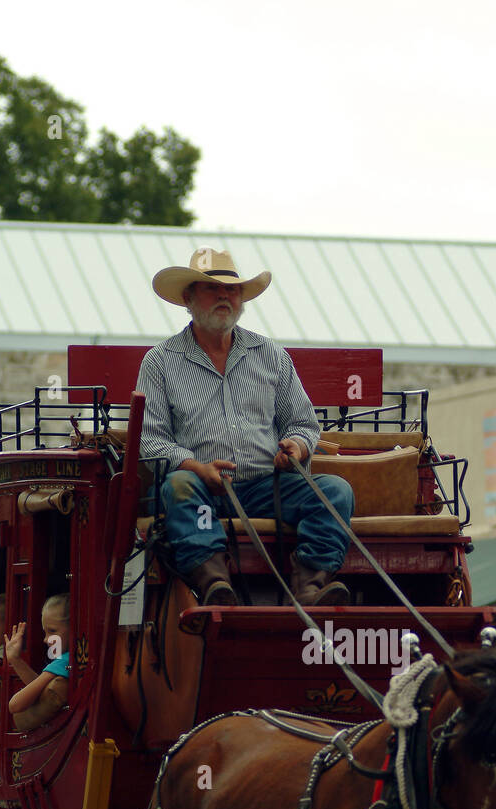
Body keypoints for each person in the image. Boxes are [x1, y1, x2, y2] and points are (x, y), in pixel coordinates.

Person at [136, 247, 354, 607]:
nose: (224, 295)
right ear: (188, 298)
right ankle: (213, 583)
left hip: (266, 486)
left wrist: (296, 447)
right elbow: (152, 440)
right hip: (200, 490)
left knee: (336, 492)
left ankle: (311, 584)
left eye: (232, 289)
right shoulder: (160, 361)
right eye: (212, 288)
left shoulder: (270, 354)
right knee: (178, 484)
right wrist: (198, 468)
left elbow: (302, 423)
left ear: (240, 299)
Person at [6, 594, 70, 723]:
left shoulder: (65, 661)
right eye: (45, 632)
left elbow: (15, 705)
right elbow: (39, 686)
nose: (46, 639)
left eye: (52, 631)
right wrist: (15, 659)